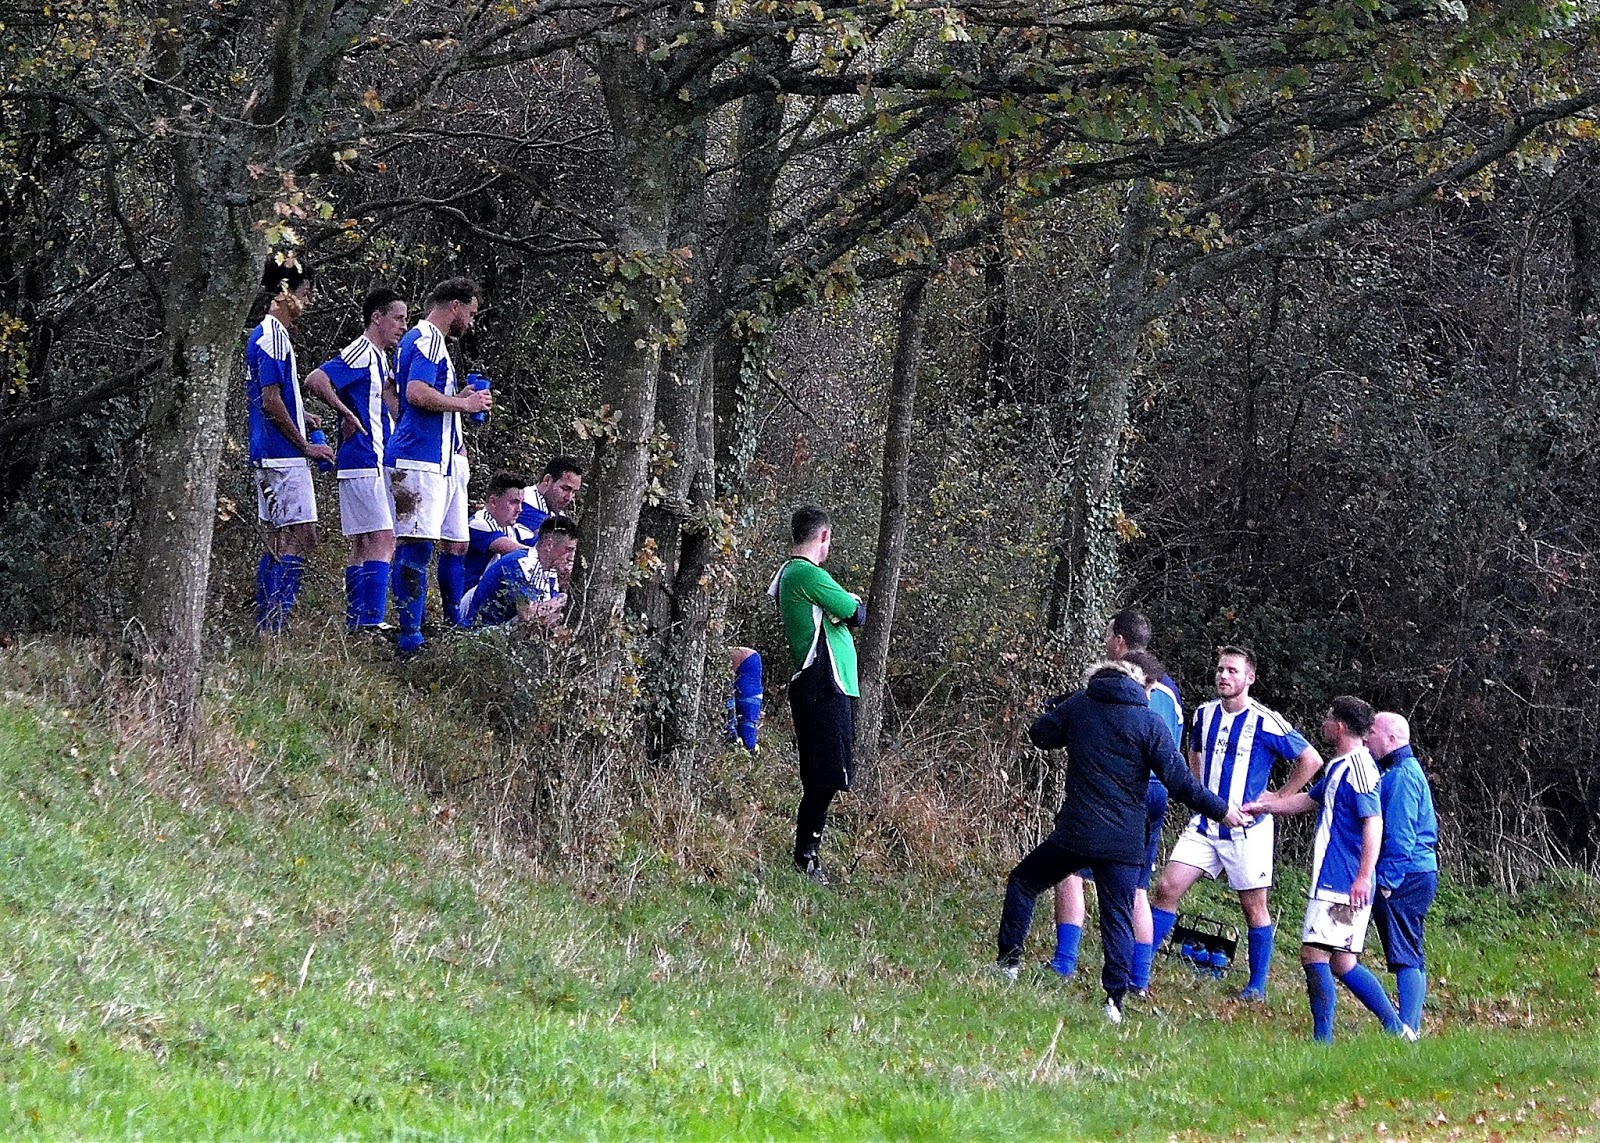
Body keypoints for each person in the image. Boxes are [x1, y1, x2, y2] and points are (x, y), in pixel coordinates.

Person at [998, 658, 1248, 1023]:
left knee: (1023, 882)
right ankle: (1114, 1000)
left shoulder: (1080, 705)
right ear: (1141, 687)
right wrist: (1222, 810)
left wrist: (1057, 707)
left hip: (1075, 833)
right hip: (1124, 840)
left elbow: (1040, 736)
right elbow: (1180, 784)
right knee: (1117, 917)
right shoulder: (1150, 722)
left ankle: (1008, 965)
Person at [1148, 645, 1324, 1001]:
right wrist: (1198, 792)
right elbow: (1194, 751)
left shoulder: (1264, 720)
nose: (1223, 676)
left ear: (1249, 678)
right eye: (1220, 670)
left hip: (1247, 829)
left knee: (1253, 907)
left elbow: (1311, 759)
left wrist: (1278, 799)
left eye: (1232, 671)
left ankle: (1257, 985)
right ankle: (1140, 961)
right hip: (1205, 824)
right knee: (1167, 888)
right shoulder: (1204, 714)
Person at [1245, 696, 1414, 1042]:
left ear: (1338, 726)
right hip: (1335, 878)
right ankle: (1397, 1030)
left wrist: (1364, 876)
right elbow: (1310, 799)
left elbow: (1374, 824)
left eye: (1326, 719)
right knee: (1343, 963)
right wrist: (1266, 807)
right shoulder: (1341, 766)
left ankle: (1323, 1039)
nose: (1322, 724)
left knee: (1313, 954)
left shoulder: (1360, 770)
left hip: (1343, 880)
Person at [1051, 612, 1182, 994]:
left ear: (1120, 642)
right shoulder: (1170, 690)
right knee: (1138, 886)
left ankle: (1063, 962)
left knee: (1070, 867)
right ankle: (1139, 979)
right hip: (1158, 792)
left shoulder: (1112, 680)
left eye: (1109, 634)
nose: (1107, 641)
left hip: (1120, 790)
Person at [387, 277, 493, 653]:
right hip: (418, 461)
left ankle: (451, 624)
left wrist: (457, 397)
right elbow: (415, 393)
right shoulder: (428, 339)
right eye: (472, 313)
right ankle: (409, 636)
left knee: (454, 543)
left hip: (441, 461)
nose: (472, 321)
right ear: (455, 307)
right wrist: (464, 405)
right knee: (416, 546)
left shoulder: (429, 343)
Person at [302, 286, 408, 631]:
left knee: (363, 543)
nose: (402, 326)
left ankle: (357, 623)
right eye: (397, 318)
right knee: (383, 538)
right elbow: (317, 379)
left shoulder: (380, 357)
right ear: (376, 317)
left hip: (365, 459)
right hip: (366, 456)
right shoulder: (361, 351)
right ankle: (371, 622)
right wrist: (345, 412)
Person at [769, 504, 864, 885]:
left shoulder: (800, 577)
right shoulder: (806, 574)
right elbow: (856, 613)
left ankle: (808, 856)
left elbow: (846, 611)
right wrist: (845, 606)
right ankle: (805, 859)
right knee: (823, 777)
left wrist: (841, 609)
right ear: (823, 536)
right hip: (824, 684)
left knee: (825, 777)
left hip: (830, 685)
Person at [245, 259, 335, 634]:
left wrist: (304, 417)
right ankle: (273, 621)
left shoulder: (272, 336)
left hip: (273, 450)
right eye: (304, 294)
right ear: (284, 293)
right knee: (301, 535)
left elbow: (280, 397)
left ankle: (268, 623)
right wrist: (305, 445)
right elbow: (269, 399)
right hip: (281, 455)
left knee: (279, 535)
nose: (308, 301)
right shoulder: (272, 337)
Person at [1365, 710, 1439, 1034]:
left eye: (1373, 732)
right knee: (1409, 949)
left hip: (1407, 876)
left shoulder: (1403, 776)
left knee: (1405, 952)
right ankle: (1411, 1027)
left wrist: (1386, 882)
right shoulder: (1396, 771)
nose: (1368, 737)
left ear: (1392, 739)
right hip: (1416, 873)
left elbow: (1401, 835)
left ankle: (1407, 1028)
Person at [461, 515, 579, 630]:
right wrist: (561, 599)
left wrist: (565, 583)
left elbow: (550, 618)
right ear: (549, 545)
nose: (571, 557)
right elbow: (528, 616)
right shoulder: (521, 564)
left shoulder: (549, 570)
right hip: (482, 634)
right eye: (568, 550)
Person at [466, 471, 535, 589]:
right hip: (471, 598)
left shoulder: (513, 528)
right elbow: (512, 549)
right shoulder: (479, 523)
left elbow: (542, 545)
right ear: (493, 502)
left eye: (521, 503)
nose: (519, 510)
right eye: (514, 502)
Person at [518, 457, 586, 533]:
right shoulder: (522, 501)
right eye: (565, 488)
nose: (569, 498)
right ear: (547, 480)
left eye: (574, 492)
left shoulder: (558, 513)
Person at [727, 646, 764, 751]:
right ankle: (747, 748)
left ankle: (745, 747)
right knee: (748, 722)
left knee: (747, 723)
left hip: (748, 663)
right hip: (750, 663)